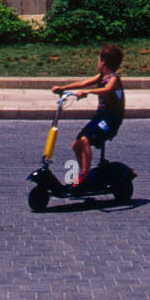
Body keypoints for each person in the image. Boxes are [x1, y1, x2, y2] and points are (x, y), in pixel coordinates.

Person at [54, 43, 125, 190]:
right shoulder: (101, 76)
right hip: (101, 117)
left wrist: (87, 92)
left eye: (98, 60)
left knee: (85, 140)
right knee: (77, 143)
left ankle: (85, 176)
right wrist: (63, 89)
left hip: (111, 120)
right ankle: (83, 175)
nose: (97, 63)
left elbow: (107, 90)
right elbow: (83, 83)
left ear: (103, 62)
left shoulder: (113, 79)